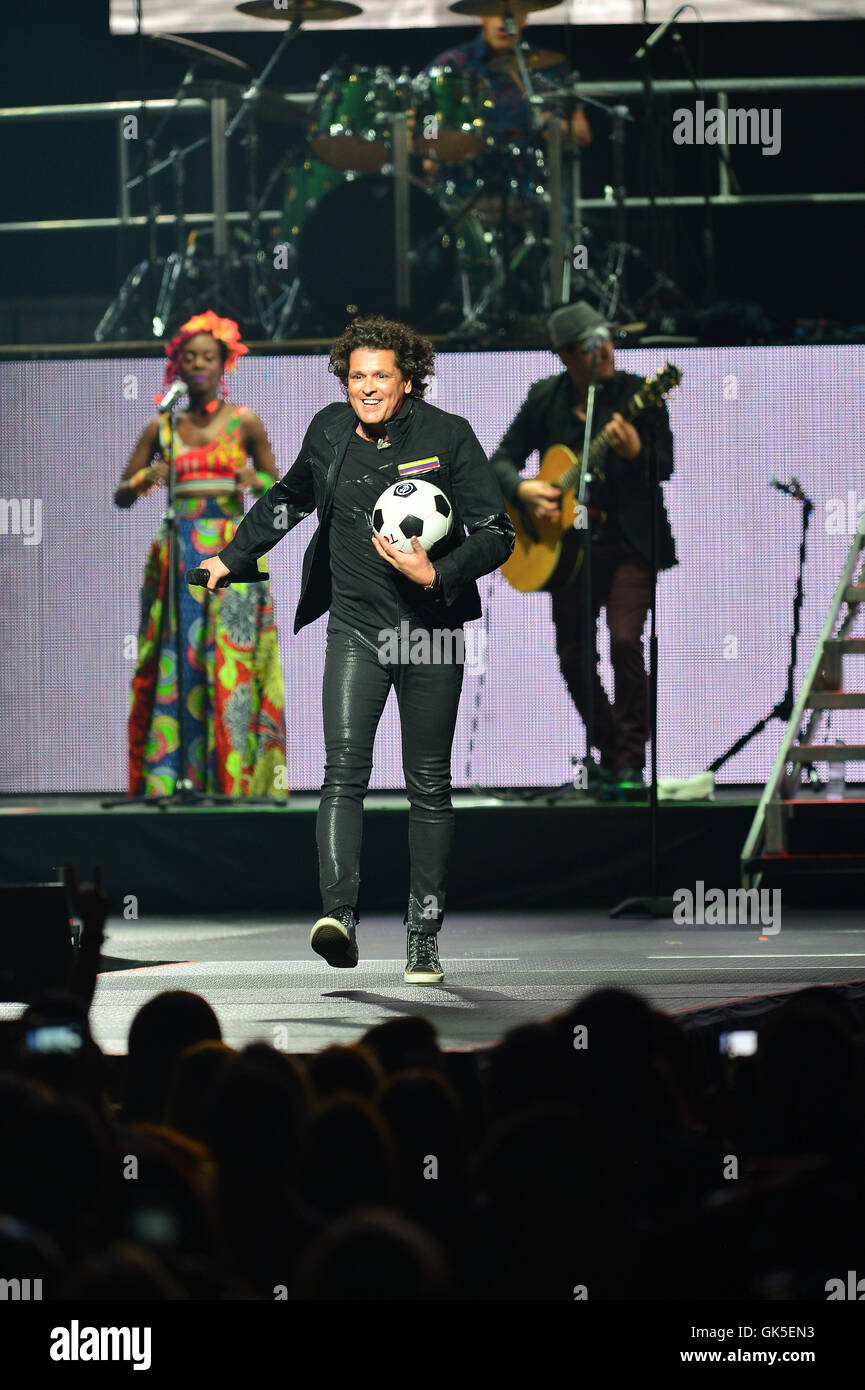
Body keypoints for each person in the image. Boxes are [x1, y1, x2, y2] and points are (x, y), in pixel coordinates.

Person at [194, 316, 514, 984]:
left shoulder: (447, 435)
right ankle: (338, 917)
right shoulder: (329, 431)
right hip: (356, 630)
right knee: (343, 773)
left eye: (380, 377)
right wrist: (231, 556)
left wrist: (439, 573)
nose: (366, 388)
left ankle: (422, 936)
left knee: (428, 785)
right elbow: (287, 501)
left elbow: (496, 532)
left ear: (407, 380)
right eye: (356, 376)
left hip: (427, 632)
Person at [490, 301, 676, 800]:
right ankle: (612, 750)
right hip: (570, 551)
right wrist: (525, 490)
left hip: (629, 542)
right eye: (593, 347)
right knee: (573, 655)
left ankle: (631, 761)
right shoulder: (546, 398)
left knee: (624, 643)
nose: (607, 351)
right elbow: (501, 460)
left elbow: (664, 465)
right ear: (568, 356)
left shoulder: (640, 394)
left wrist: (637, 452)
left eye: (609, 340)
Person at [115, 311, 287, 799]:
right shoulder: (163, 426)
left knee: (232, 664)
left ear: (224, 363)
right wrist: (146, 478)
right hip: (179, 554)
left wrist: (258, 481)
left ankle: (235, 780)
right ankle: (175, 777)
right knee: (180, 658)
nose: (199, 365)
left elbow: (283, 492)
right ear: (177, 366)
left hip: (235, 555)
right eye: (189, 357)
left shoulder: (245, 422)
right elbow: (120, 495)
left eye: (208, 357)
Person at [420, 12, 591, 202]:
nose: (502, 21)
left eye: (510, 13)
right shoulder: (453, 63)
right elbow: (426, 112)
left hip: (532, 183)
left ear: (524, 19)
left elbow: (582, 134)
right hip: (466, 183)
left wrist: (550, 124)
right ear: (481, 16)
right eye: (494, 11)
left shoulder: (548, 67)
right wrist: (431, 146)